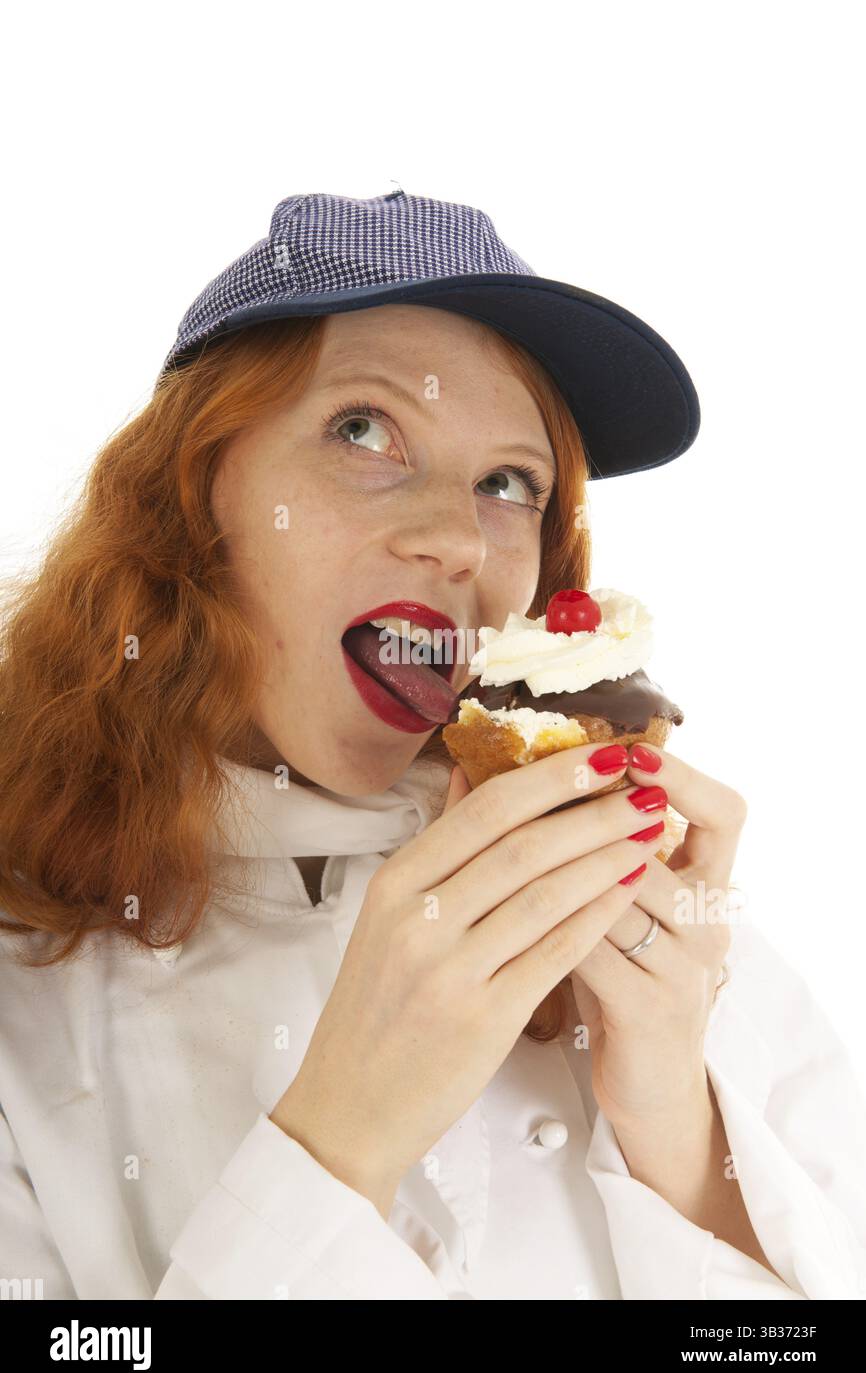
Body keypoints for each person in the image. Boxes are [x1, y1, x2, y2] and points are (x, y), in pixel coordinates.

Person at [1, 191, 865, 1301]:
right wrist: (342, 1134)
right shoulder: (29, 986)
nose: (460, 538)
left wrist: (678, 1136)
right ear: (190, 493)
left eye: (509, 483)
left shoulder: (681, 937)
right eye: (363, 430)